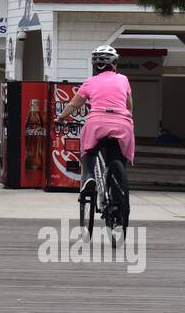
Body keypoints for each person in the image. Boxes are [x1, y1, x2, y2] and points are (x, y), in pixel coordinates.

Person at [54, 44, 134, 207]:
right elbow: (129, 106)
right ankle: (118, 195)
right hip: (121, 123)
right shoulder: (123, 79)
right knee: (117, 160)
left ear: (94, 65)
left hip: (97, 123)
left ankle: (89, 177)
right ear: (115, 63)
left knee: (88, 150)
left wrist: (61, 118)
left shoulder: (90, 82)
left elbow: (73, 105)